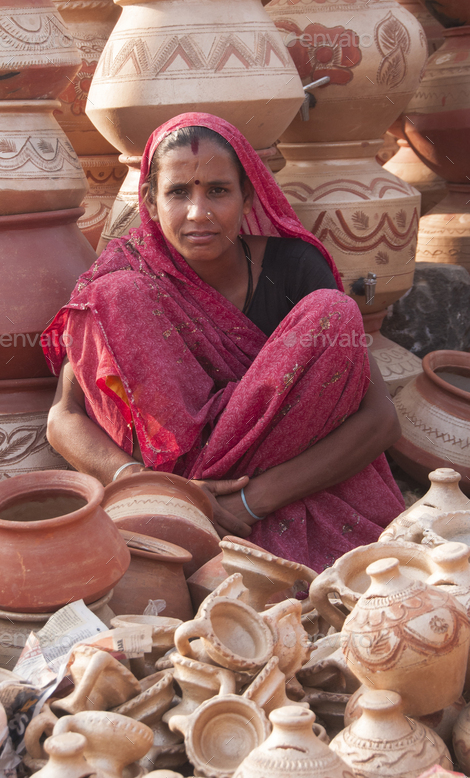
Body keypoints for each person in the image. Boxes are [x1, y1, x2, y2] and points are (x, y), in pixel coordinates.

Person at [43, 113, 404, 572]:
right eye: (178, 192)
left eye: (217, 190)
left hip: (273, 487)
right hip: (170, 491)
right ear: (150, 203)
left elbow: (381, 420)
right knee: (116, 295)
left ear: (247, 197)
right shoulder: (126, 278)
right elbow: (63, 417)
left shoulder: (294, 266)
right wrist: (149, 487)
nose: (199, 213)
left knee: (334, 312)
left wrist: (252, 501)